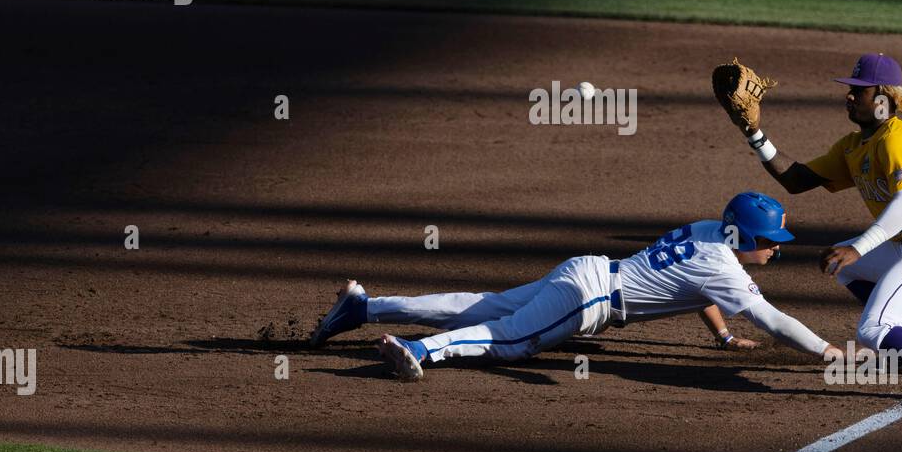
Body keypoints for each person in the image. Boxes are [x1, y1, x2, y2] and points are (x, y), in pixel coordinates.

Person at [308, 192, 842, 380]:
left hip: (585, 269)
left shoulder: (708, 232)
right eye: (771, 241)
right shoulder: (724, 267)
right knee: (507, 338)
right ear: (744, 235)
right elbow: (771, 319)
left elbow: (697, 289)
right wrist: (825, 349)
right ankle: (418, 350)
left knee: (478, 305)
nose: (778, 248)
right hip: (592, 298)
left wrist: (723, 339)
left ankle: (365, 308)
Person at [724, 52, 902, 406]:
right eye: (850, 89)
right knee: (844, 265)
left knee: (871, 329)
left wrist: (860, 247)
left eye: (859, 90)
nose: (849, 96)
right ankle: (897, 337)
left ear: (884, 98)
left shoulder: (897, 139)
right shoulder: (854, 145)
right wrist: (754, 133)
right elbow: (796, 180)